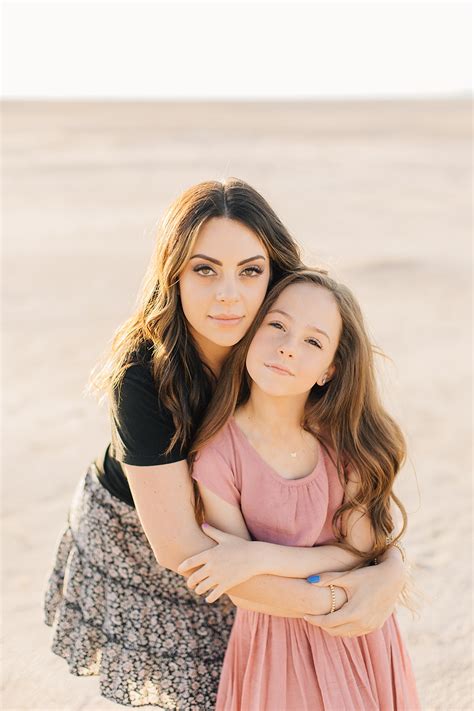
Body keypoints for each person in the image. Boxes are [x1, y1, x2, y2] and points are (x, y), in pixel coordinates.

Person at [44, 179, 410, 709]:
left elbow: (353, 493)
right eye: (204, 268)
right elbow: (185, 551)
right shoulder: (143, 377)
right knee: (205, 689)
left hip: (246, 548)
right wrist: (343, 597)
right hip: (152, 537)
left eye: (250, 271)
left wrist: (389, 573)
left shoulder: (280, 339)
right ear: (174, 273)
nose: (228, 295)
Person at [188, 269, 420, 710]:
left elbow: (361, 550)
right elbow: (239, 582)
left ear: (329, 369)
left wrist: (262, 556)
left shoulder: (345, 441)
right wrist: (264, 568)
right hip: (273, 643)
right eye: (276, 325)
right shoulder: (218, 452)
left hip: (359, 633)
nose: (287, 347)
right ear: (252, 332)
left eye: (313, 342)